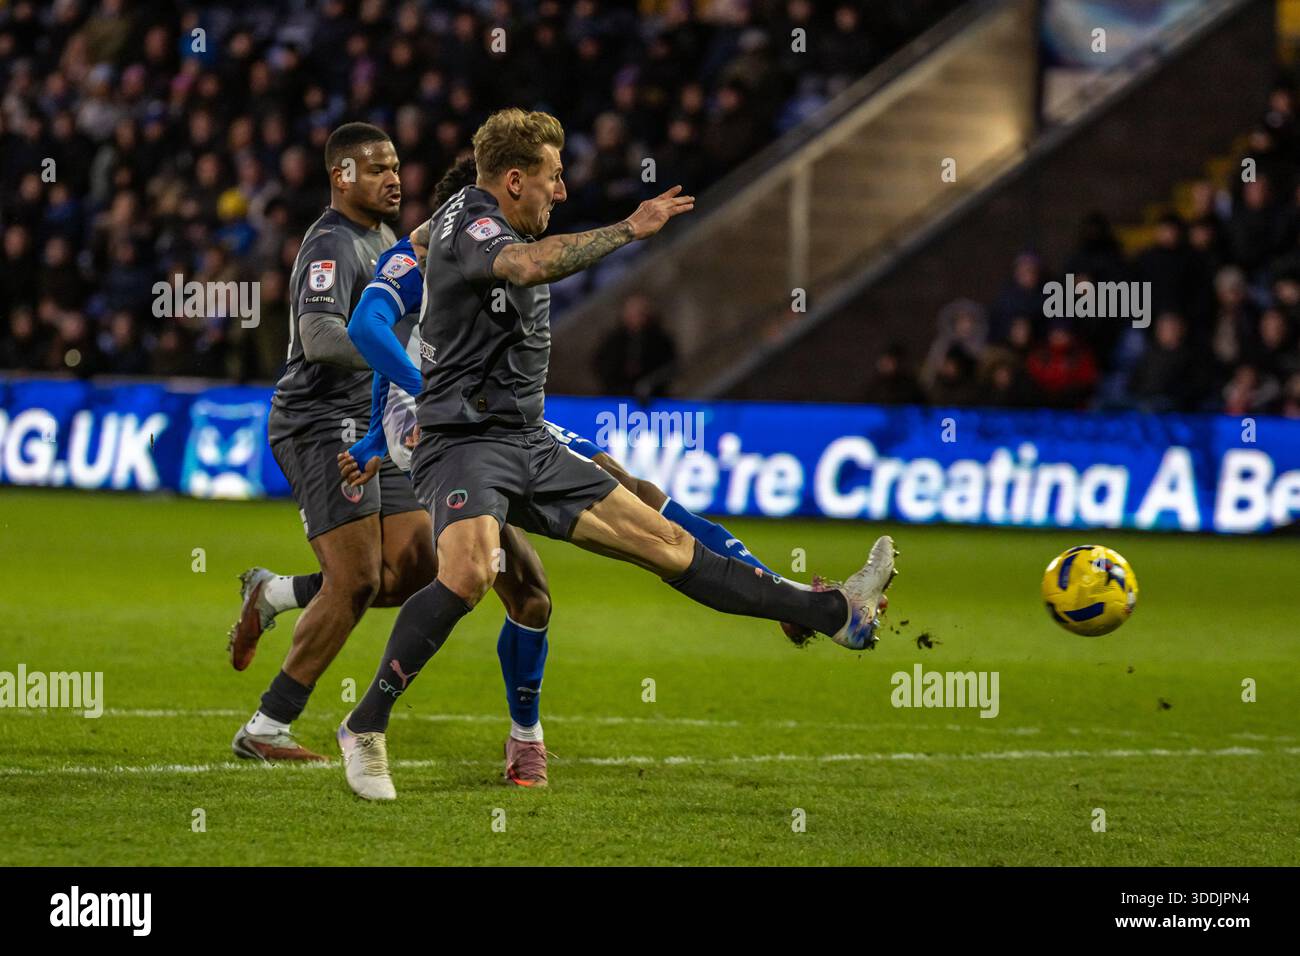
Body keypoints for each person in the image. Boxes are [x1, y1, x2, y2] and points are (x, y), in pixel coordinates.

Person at [334, 108, 898, 801]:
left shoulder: (459, 223)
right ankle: (366, 724)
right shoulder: (476, 229)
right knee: (474, 569)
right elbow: (519, 265)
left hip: (525, 436)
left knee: (661, 542)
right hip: (462, 440)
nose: (562, 191)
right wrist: (630, 229)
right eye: (553, 177)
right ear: (512, 183)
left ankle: (834, 614)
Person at [226, 123, 436, 762]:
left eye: (396, 166)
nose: (394, 178)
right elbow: (318, 338)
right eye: (377, 170)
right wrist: (400, 361)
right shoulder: (331, 245)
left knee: (418, 570)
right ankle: (266, 730)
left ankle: (276, 594)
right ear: (341, 176)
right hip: (319, 421)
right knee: (353, 582)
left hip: (375, 417)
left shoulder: (386, 238)